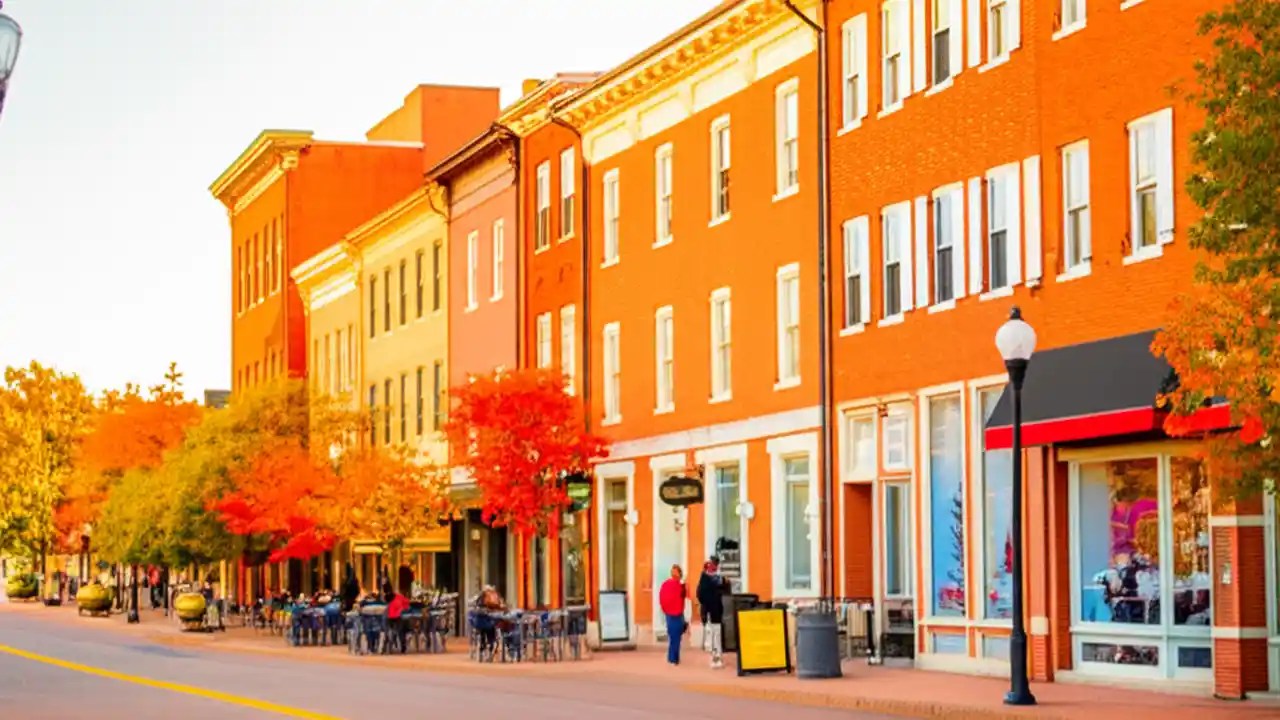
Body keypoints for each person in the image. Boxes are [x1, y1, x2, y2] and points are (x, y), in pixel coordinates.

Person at [696, 556, 729, 669]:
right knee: (714, 634)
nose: (713, 566)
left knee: (716, 634)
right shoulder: (708, 579)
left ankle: (717, 656)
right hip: (711, 611)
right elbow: (700, 595)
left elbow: (725, 590)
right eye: (712, 564)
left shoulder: (716, 578)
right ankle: (715, 657)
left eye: (714, 564)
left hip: (714, 611)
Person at [658, 564, 688, 666]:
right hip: (672, 614)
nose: (674, 573)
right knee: (674, 636)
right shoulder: (669, 584)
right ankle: (673, 658)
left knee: (675, 637)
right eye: (673, 571)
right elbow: (663, 598)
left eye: (676, 571)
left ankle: (674, 658)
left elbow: (685, 599)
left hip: (677, 614)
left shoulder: (681, 586)